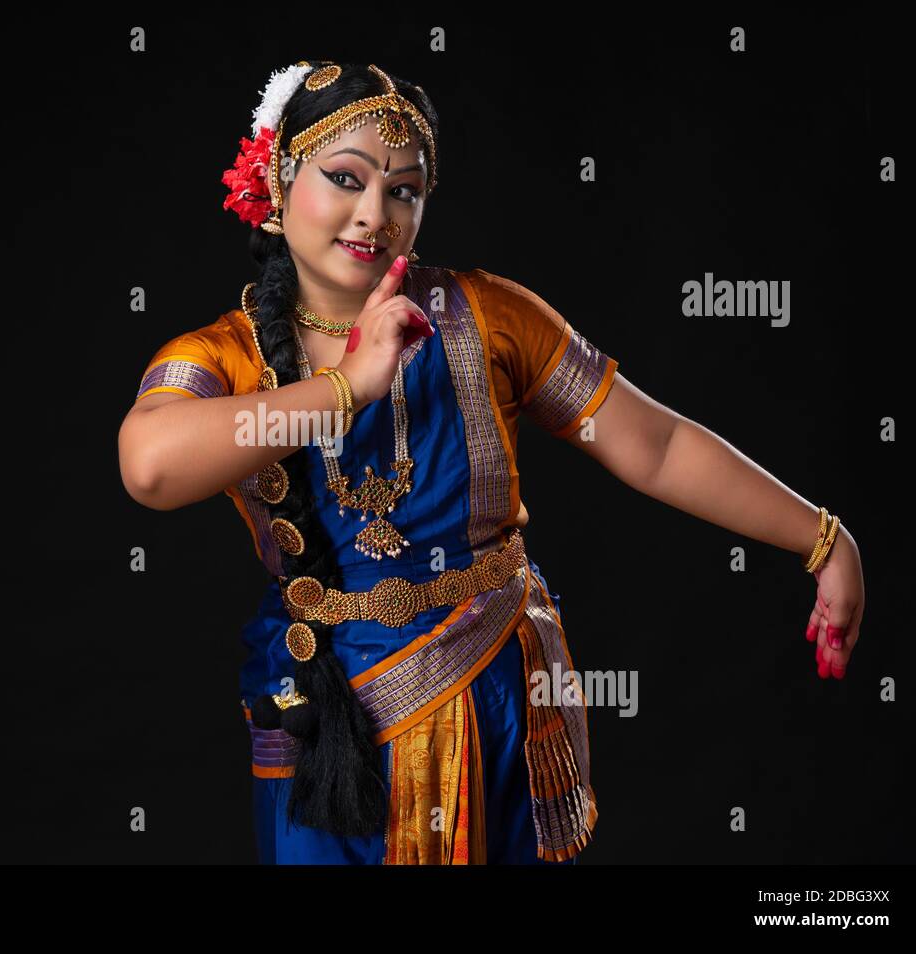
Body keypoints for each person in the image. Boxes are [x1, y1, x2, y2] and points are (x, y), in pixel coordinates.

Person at [118, 61, 866, 864]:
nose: (375, 214)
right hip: (325, 719)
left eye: (404, 190)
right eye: (346, 178)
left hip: (499, 695)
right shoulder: (221, 355)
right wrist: (346, 386)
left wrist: (822, 540)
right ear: (276, 178)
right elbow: (151, 465)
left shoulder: (485, 318)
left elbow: (656, 446)